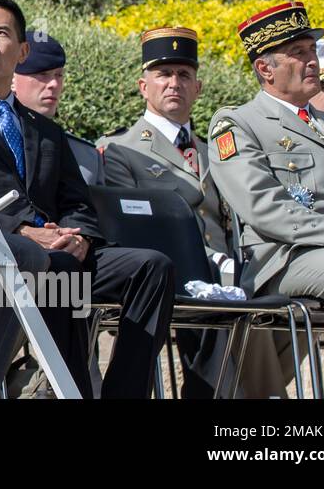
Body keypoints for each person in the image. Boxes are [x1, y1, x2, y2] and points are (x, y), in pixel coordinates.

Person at [0, 0, 174, 398]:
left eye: (2, 34)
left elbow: (77, 202)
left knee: (151, 267)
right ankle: (69, 391)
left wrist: (81, 235)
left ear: (22, 51)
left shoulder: (44, 129)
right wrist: (21, 230)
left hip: (59, 249)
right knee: (60, 268)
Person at [208, 1, 324, 398]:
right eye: (299, 53)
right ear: (265, 68)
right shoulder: (238, 124)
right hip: (282, 258)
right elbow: (262, 205)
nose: (313, 62)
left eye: (312, 51)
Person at [97, 26, 286, 398]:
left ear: (198, 88)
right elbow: (130, 229)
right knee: (235, 316)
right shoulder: (120, 149)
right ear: (143, 86)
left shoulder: (219, 149)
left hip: (234, 271)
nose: (174, 83)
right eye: (163, 74)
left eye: (184, 75)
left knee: (277, 309)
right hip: (174, 274)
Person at [12, 31, 104, 184]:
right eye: (42, 74)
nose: (54, 84)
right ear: (12, 79)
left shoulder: (86, 156)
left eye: (59, 75)